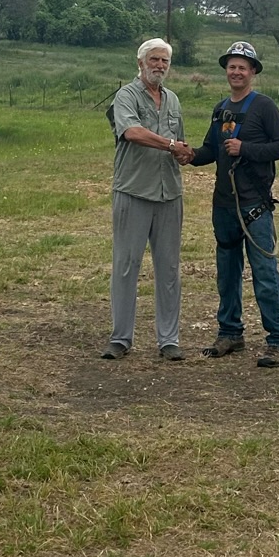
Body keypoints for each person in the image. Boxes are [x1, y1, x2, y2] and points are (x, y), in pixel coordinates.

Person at [190, 39, 279, 366]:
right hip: (224, 204)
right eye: (231, 66)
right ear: (226, 71)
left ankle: (278, 340)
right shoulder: (221, 107)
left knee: (265, 274)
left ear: (252, 72)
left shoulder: (263, 106)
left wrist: (246, 149)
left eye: (242, 67)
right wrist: (190, 155)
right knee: (227, 274)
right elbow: (212, 150)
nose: (236, 72)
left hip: (254, 206)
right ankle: (230, 333)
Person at [102, 36, 191, 362]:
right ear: (140, 63)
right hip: (133, 191)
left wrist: (184, 153)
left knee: (169, 269)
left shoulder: (173, 100)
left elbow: (179, 141)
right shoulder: (126, 95)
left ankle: (169, 340)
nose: (159, 66)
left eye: (164, 61)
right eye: (154, 60)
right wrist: (170, 146)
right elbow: (132, 133)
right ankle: (120, 339)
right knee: (126, 266)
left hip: (169, 193)